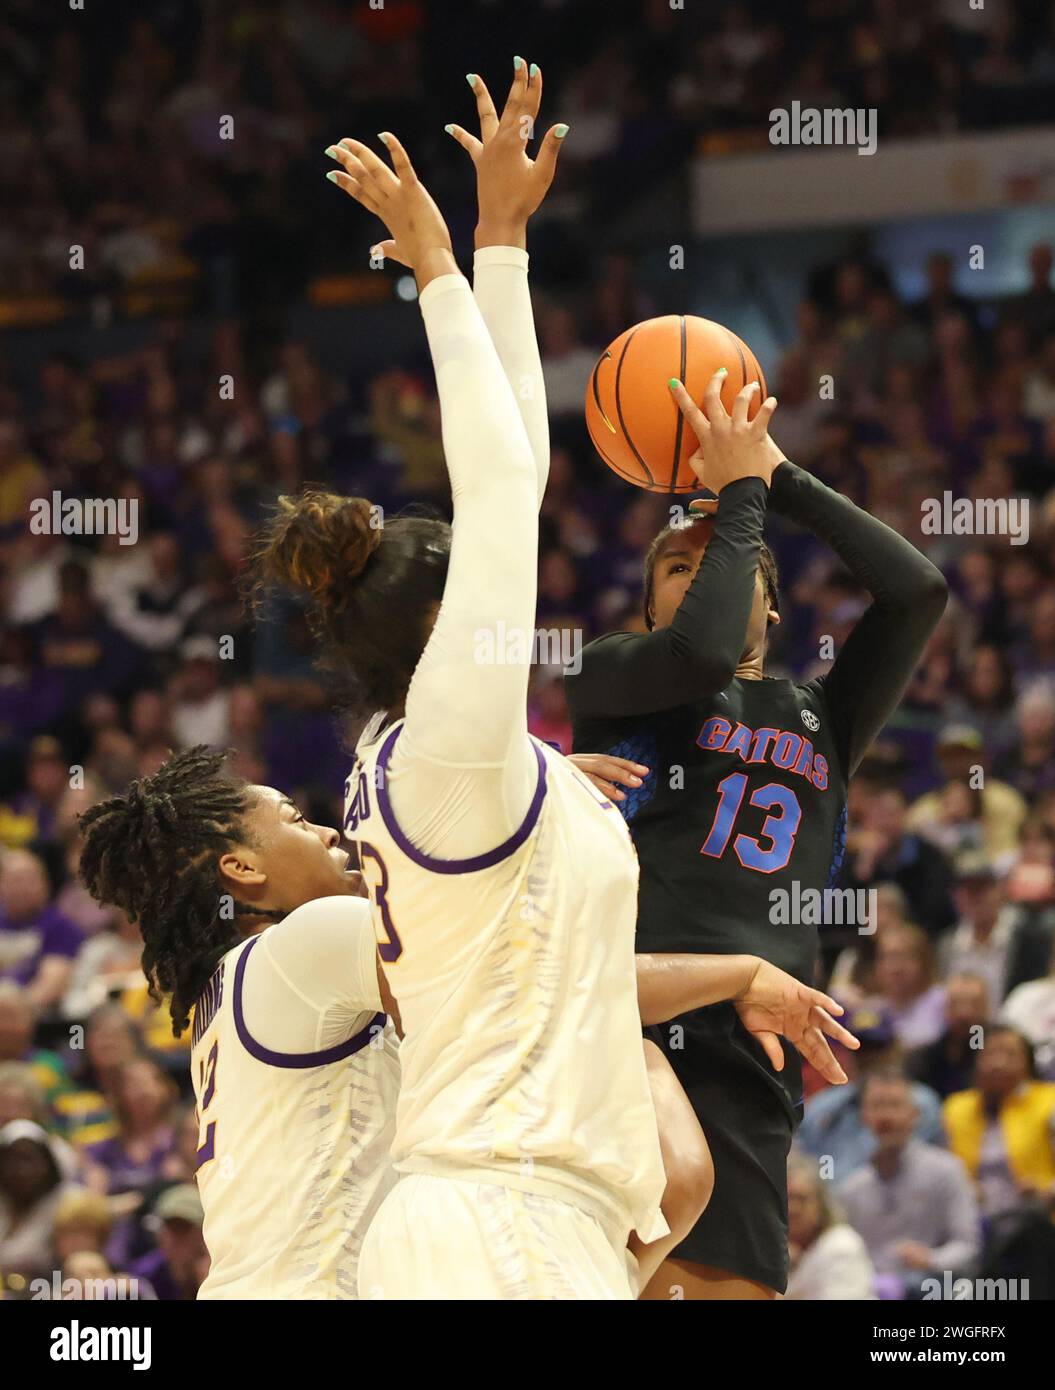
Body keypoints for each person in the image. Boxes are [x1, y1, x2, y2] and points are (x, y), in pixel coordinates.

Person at [264, 66, 856, 1301]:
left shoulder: (427, 764)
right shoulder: (458, 735)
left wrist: (500, 243)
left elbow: (514, 472)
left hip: (490, 1218)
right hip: (501, 1221)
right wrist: (446, 259)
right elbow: (504, 478)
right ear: (445, 620)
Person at [566, 355, 948, 1298]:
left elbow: (916, 593)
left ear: (772, 604)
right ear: (649, 602)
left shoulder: (827, 714)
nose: (696, 575)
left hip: (758, 1037)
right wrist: (735, 495)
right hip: (639, 1009)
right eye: (674, 566)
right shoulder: (615, 676)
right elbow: (695, 651)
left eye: (718, 563)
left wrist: (777, 474)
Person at [79, 746, 401, 1299]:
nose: (328, 833)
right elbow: (478, 955)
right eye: (297, 821)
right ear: (243, 868)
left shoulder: (229, 991)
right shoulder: (302, 947)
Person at [838, 1072, 980, 1299]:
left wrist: (932, 1259)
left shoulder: (947, 1171)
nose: (886, 1116)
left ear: (915, 1115)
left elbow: (968, 1246)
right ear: (864, 1117)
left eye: (895, 1105)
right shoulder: (852, 1188)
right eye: (877, 1106)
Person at [943, 1026, 1055, 1219]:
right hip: (975, 1218)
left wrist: (1046, 1191)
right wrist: (963, 1190)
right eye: (990, 1054)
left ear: (1028, 1063)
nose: (998, 1063)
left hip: (1038, 1218)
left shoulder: (1049, 1101)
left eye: (1010, 1054)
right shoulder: (956, 1108)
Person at [783, 1151, 874, 1300]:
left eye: (801, 1199)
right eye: (787, 1200)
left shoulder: (841, 1245)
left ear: (821, 1203)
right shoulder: (781, 1252)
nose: (793, 1209)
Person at [907, 973, 990, 1100]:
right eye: (956, 1004)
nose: (964, 1013)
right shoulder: (925, 1057)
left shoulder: (991, 1055)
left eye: (973, 1004)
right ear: (944, 1008)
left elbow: (977, 1044)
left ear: (986, 1009)